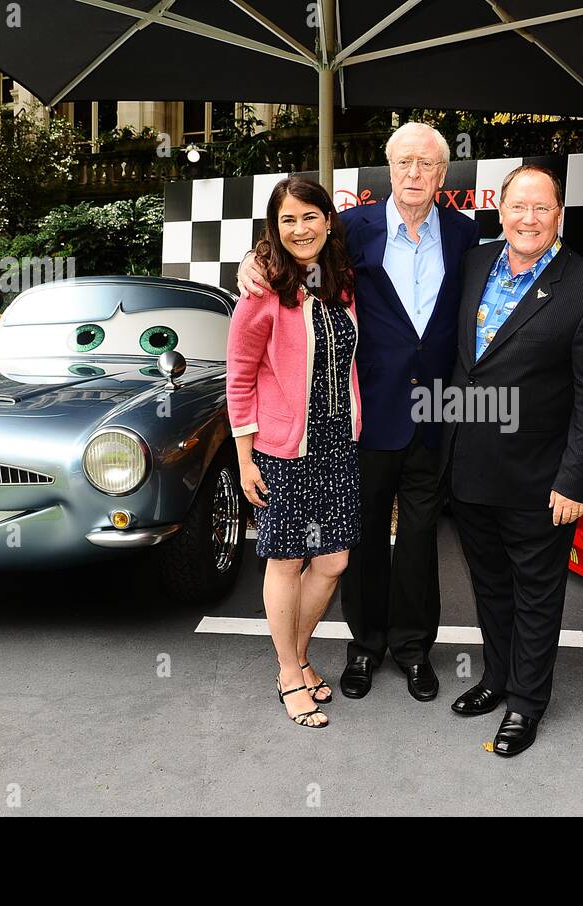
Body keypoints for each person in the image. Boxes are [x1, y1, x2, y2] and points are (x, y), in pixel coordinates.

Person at [239, 122, 481, 703]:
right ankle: (365, 646)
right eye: (405, 164)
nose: (415, 174)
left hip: (437, 413)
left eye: (427, 165)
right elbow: (296, 241)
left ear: (443, 175)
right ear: (388, 170)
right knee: (364, 537)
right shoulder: (355, 228)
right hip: (366, 415)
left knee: (422, 538)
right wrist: (252, 259)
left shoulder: (470, 236)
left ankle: (414, 650)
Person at [443, 165, 583, 757]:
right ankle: (496, 679)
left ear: (560, 215)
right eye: (518, 207)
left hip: (541, 481)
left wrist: (574, 480)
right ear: (500, 211)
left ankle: (526, 702)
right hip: (470, 468)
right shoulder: (475, 263)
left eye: (541, 209)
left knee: (537, 595)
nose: (528, 219)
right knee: (489, 586)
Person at [226, 175, 361, 730]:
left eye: (310, 216)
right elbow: (239, 377)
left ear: (329, 221)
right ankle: (289, 670)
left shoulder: (340, 284)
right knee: (286, 560)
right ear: (274, 229)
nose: (300, 228)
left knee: (332, 560)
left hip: (338, 442)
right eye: (288, 219)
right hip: (283, 448)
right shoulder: (262, 292)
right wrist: (245, 457)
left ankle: (299, 653)